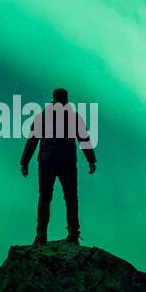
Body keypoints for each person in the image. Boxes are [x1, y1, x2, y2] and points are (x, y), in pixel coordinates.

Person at [19, 88, 96, 244]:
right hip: (67, 163)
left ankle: (41, 234)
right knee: (71, 199)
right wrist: (91, 160)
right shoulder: (74, 118)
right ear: (66, 100)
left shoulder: (42, 117)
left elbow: (32, 141)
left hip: (46, 162)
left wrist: (24, 162)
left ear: (53, 100)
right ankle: (73, 234)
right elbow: (84, 139)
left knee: (45, 198)